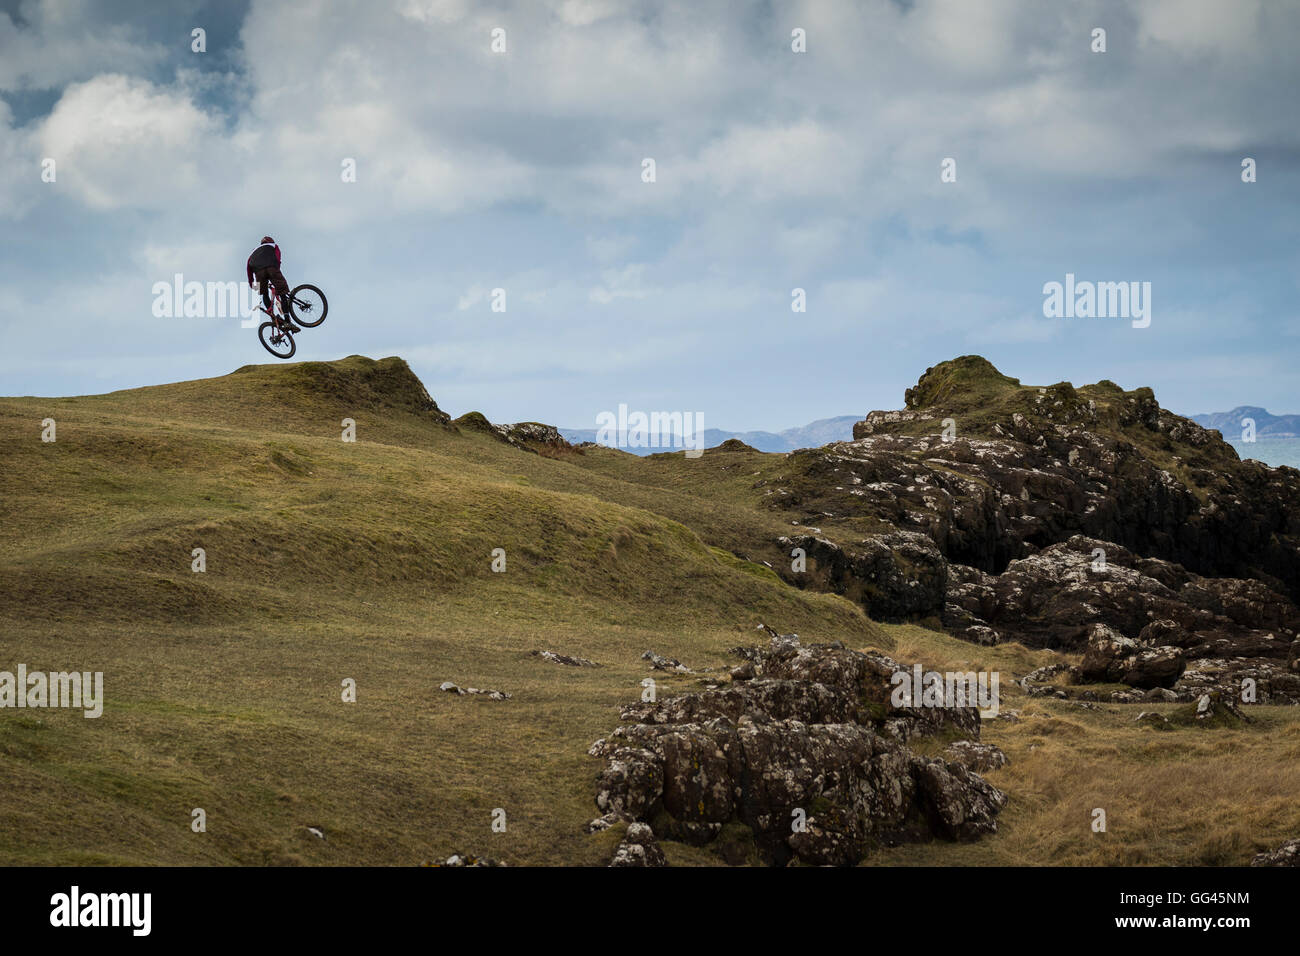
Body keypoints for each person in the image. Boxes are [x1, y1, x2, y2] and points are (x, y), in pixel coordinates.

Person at [246, 236, 299, 330]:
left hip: (258, 272)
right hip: (271, 268)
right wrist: (275, 273)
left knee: (264, 293)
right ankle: (287, 321)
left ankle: (273, 318)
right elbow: (277, 259)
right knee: (282, 292)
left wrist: (251, 282)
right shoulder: (274, 246)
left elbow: (248, 267)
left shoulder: (253, 251)